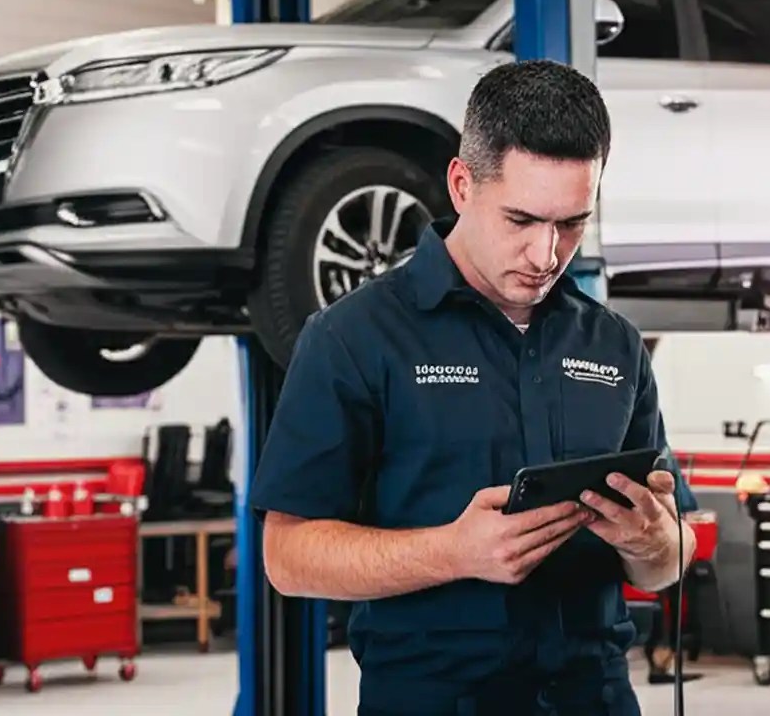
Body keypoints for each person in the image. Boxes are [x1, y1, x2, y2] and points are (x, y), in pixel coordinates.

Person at [249, 59, 698, 716]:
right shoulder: (355, 338)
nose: (546, 255)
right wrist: (453, 552)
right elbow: (287, 555)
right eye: (521, 220)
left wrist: (655, 544)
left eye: (571, 223)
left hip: (594, 696)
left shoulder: (614, 345)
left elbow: (672, 551)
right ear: (461, 185)